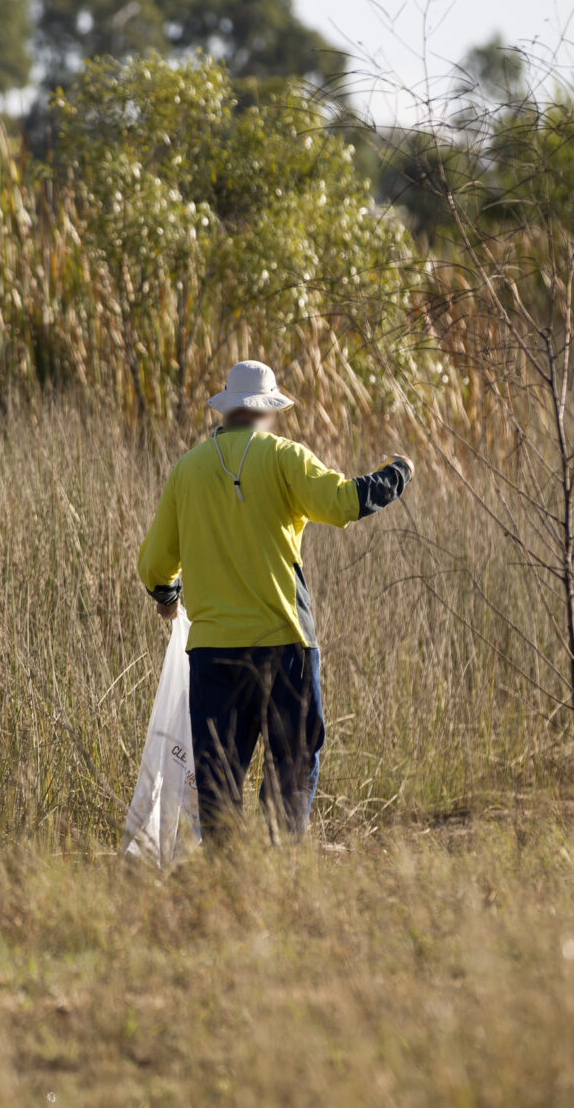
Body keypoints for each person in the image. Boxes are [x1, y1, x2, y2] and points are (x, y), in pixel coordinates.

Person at [136, 360, 412, 842]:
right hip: (284, 647)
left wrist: (168, 596)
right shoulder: (285, 457)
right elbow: (346, 502)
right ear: (269, 410)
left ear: (227, 408)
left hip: (213, 654)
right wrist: (397, 474)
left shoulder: (189, 469)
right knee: (292, 763)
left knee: (218, 780)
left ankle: (227, 887)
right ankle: (276, 870)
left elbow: (155, 565)